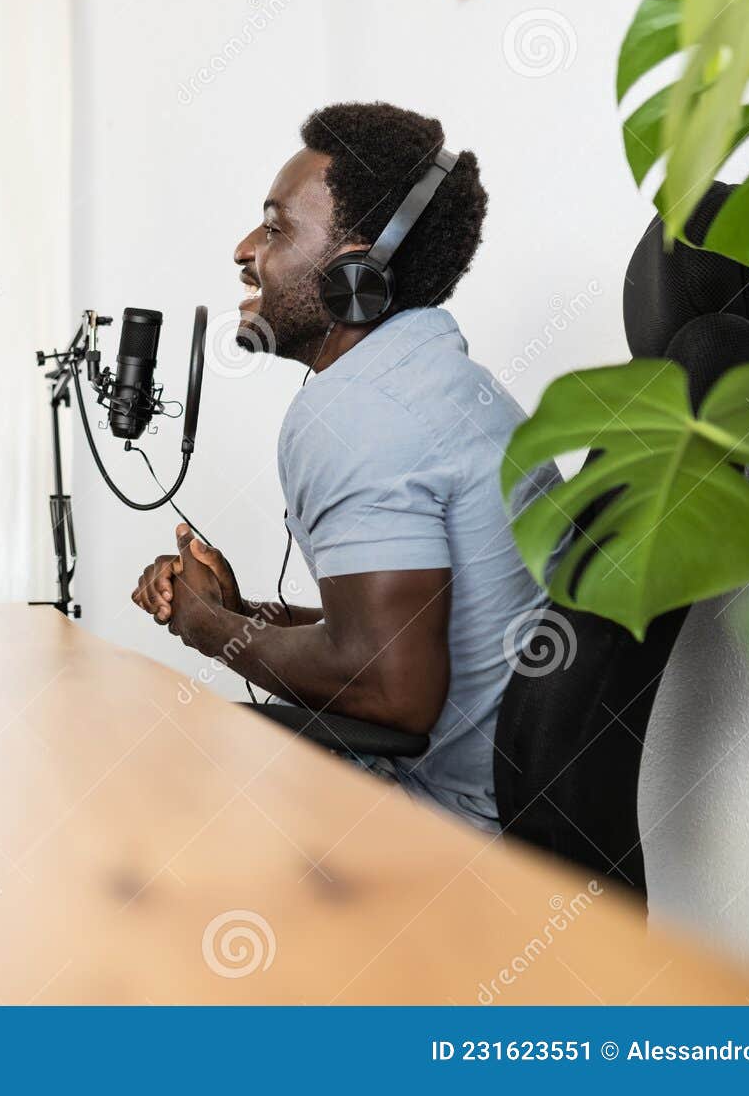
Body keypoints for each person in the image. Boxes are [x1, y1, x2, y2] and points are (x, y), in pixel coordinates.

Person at [130, 102, 560, 831]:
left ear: (354, 271)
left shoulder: (355, 412)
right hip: (517, 808)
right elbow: (405, 634)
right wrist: (241, 612)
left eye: (275, 229)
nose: (244, 249)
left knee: (133, 767)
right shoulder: (439, 381)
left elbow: (392, 691)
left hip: (455, 831)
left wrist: (203, 626)